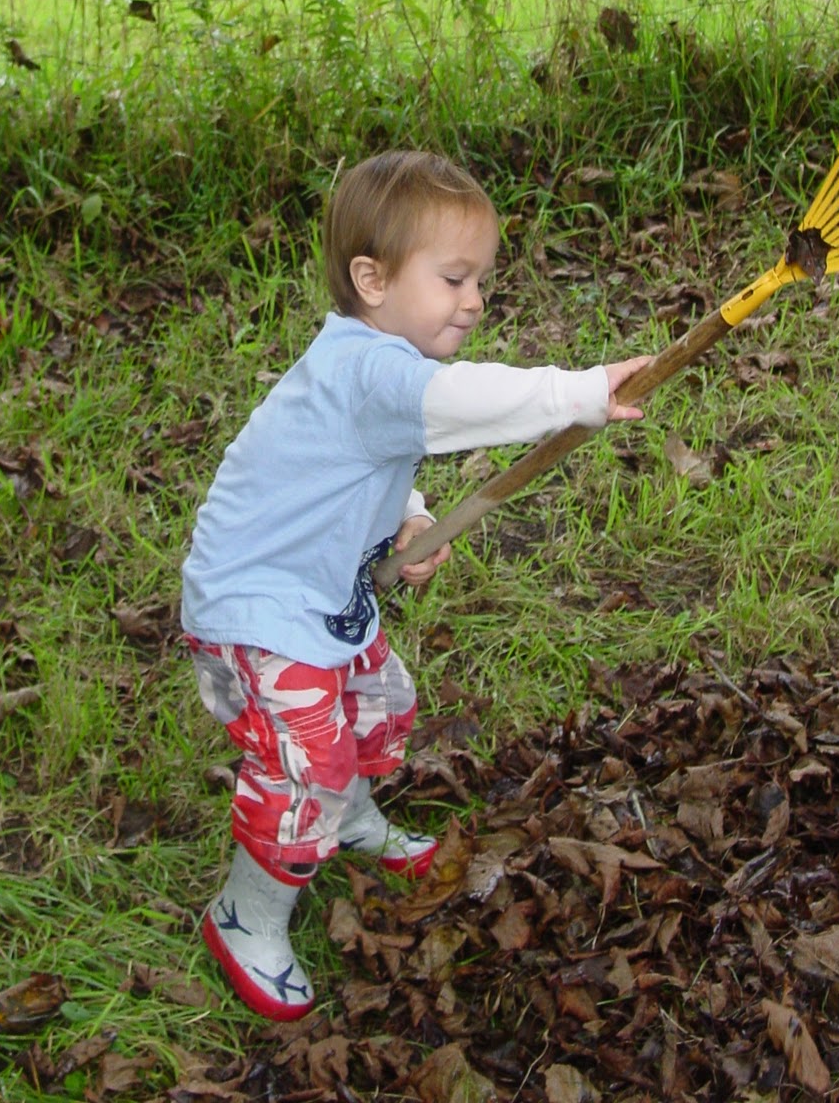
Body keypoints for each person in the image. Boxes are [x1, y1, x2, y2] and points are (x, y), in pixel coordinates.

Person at [181, 149, 651, 1021]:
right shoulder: (368, 368)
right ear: (372, 278)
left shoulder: (374, 368)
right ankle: (246, 912)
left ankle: (350, 817)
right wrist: (578, 392)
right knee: (304, 762)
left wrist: (407, 522)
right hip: (255, 606)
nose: (475, 301)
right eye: (455, 279)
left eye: (482, 281)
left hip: (317, 592)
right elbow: (454, 403)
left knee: (371, 700)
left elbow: (376, 459)